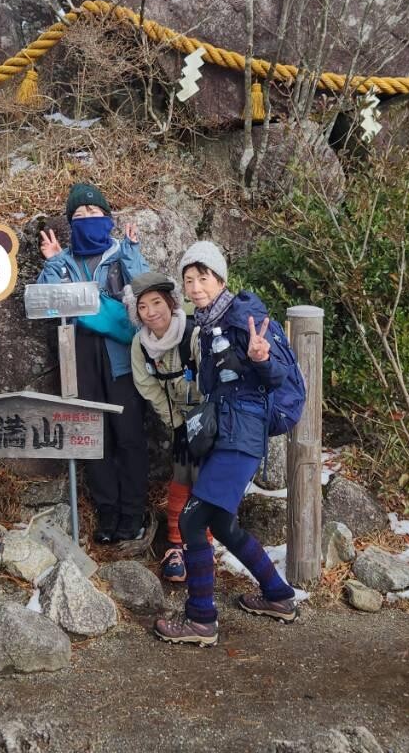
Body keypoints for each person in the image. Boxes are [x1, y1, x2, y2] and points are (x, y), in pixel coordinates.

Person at [154, 240, 300, 647]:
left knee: (191, 521)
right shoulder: (206, 325)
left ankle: (201, 618)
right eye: (189, 279)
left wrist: (261, 358)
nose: (196, 286)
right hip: (226, 432)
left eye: (203, 277)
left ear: (220, 278)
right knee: (221, 523)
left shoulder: (245, 319)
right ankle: (279, 597)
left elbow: (277, 379)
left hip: (243, 434)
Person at [38, 182, 151, 543]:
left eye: (94, 212)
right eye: (79, 215)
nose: (87, 218)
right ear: (71, 224)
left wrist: (132, 253)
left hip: (121, 360)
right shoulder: (65, 260)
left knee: (129, 437)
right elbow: (43, 302)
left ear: (108, 217)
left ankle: (133, 513)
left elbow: (150, 294)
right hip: (79, 360)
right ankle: (108, 513)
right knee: (93, 437)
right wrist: (55, 262)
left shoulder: (122, 254)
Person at [124, 270, 201, 583]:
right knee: (182, 478)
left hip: (209, 417)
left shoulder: (192, 334)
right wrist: (177, 425)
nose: (151, 312)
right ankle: (175, 545)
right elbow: (148, 387)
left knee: (204, 482)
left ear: (171, 303)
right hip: (179, 420)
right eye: (142, 307)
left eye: (157, 302)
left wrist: (203, 424)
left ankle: (200, 546)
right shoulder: (140, 345)